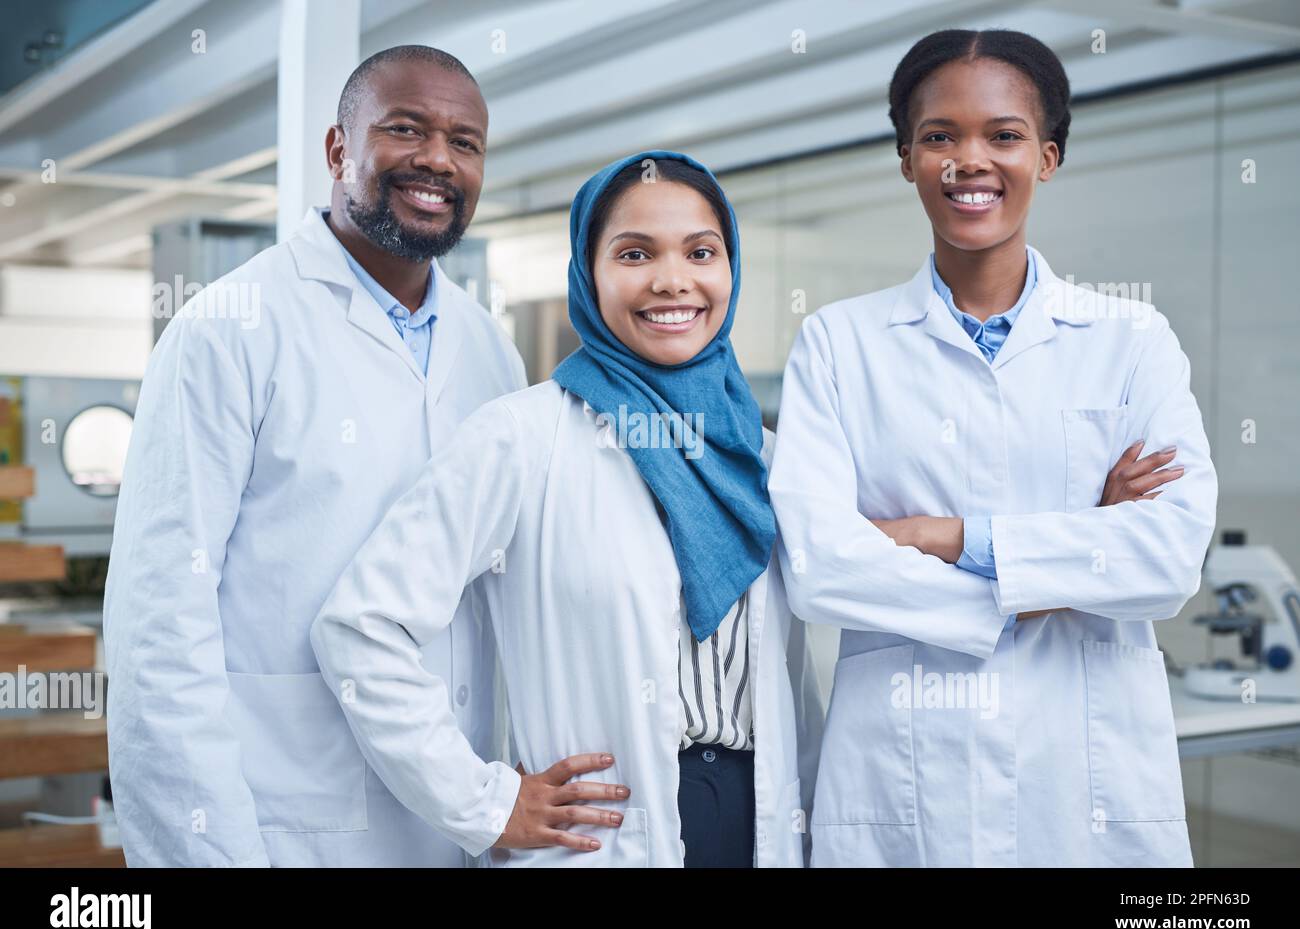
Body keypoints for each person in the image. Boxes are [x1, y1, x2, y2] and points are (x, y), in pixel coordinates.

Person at [768, 29, 1217, 867]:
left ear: (1047, 156)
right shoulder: (838, 343)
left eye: (1003, 135)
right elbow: (821, 567)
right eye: (940, 135)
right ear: (907, 158)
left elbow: (1168, 556)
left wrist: (946, 537)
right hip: (901, 788)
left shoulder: (1130, 339)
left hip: (1086, 787)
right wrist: (1070, 555)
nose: (969, 159)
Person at [311, 150, 823, 867]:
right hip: (603, 838)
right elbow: (361, 625)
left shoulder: (761, 455)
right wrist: (483, 801)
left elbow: (794, 682)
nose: (673, 279)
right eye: (635, 252)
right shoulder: (523, 437)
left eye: (701, 251)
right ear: (589, 272)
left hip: (761, 829)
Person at [104, 46, 531, 867]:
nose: (437, 160)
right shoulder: (227, 329)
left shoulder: (491, 352)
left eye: (465, 142)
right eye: (406, 129)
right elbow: (158, 634)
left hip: (456, 829)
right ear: (339, 150)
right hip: (282, 832)